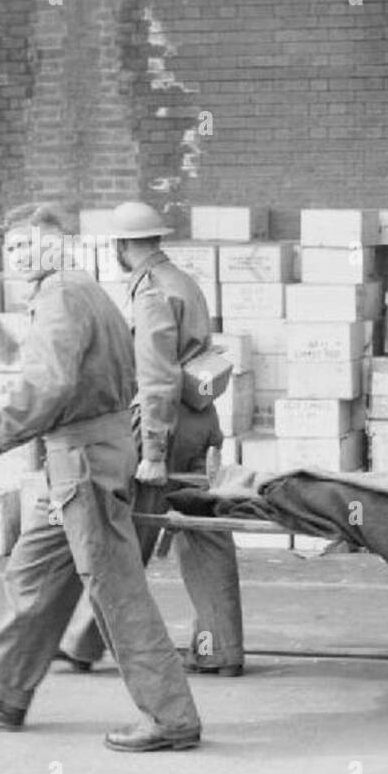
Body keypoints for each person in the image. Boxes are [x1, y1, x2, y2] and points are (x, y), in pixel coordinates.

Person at [0, 201, 203, 752]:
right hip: (81, 456)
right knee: (34, 567)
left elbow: (49, 382)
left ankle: (171, 717)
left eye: (23, 245)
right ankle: (4, 685)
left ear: (52, 243)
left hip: (85, 460)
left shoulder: (61, 295)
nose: (14, 257)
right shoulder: (80, 288)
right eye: (8, 247)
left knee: (116, 589)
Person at [58, 201, 245, 676]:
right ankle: (220, 647)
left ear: (122, 246)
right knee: (203, 535)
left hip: (166, 426)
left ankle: (85, 641)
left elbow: (158, 377)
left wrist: (155, 452)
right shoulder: (183, 281)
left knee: (124, 533)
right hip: (199, 421)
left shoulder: (152, 294)